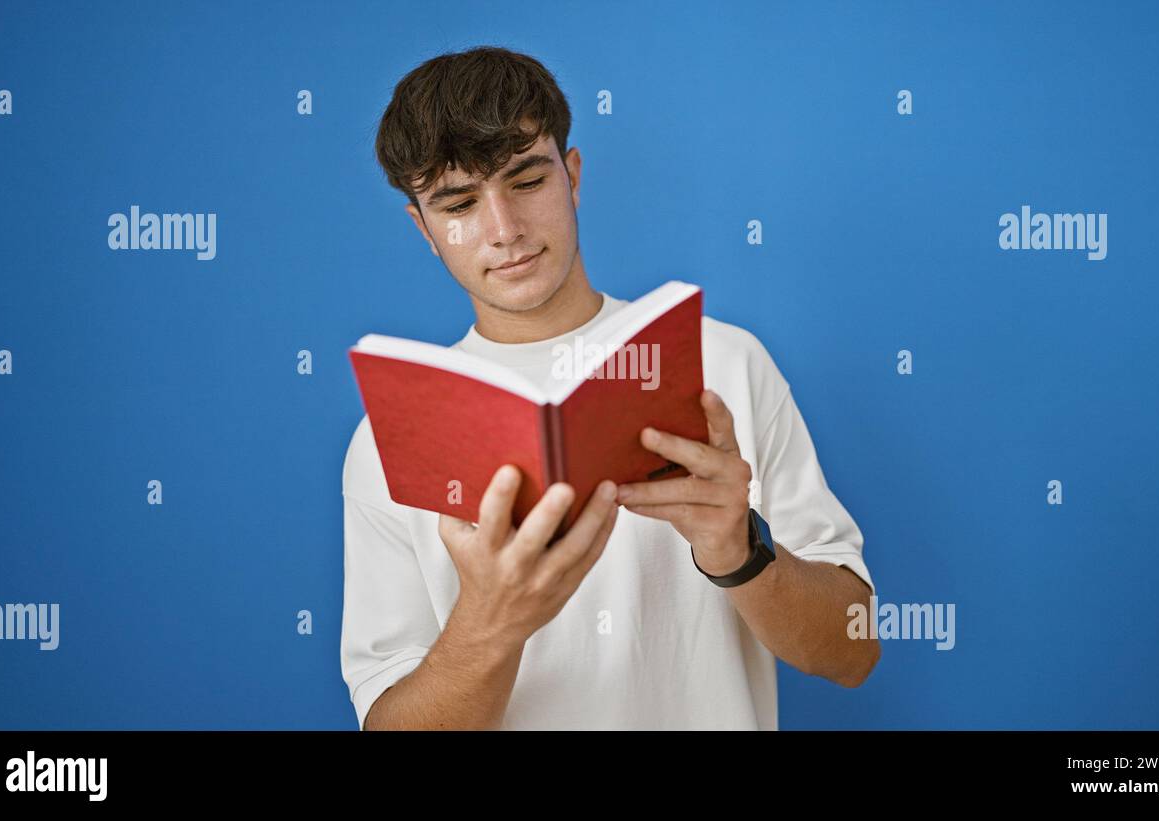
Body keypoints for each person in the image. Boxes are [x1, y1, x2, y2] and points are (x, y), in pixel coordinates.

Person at [341, 46, 880, 730]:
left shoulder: (726, 363)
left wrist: (742, 552)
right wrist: (488, 625)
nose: (504, 230)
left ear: (572, 176)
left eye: (527, 181)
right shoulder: (390, 438)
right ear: (424, 229)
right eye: (459, 203)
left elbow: (856, 650)